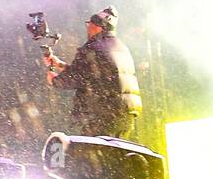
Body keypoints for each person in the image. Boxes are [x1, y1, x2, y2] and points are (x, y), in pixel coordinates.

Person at [44, 7, 142, 139]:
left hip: (102, 116)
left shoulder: (93, 48)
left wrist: (54, 80)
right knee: (115, 156)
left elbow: (76, 77)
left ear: (98, 26)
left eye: (89, 23)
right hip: (126, 116)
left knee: (92, 156)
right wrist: (58, 64)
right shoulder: (121, 48)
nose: (87, 27)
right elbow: (94, 74)